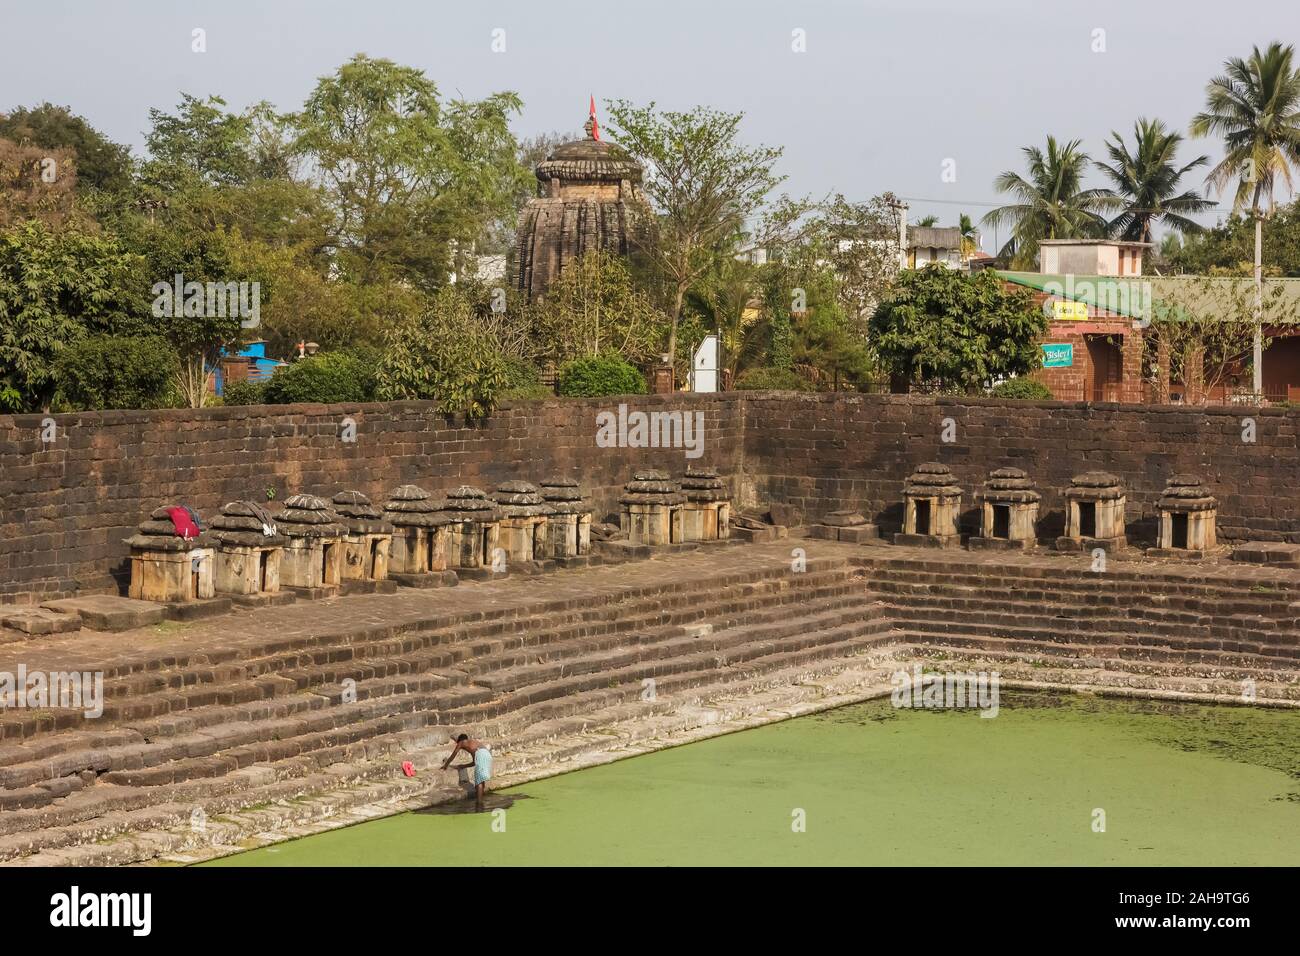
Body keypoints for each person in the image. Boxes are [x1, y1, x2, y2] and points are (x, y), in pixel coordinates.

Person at [442, 733, 492, 811]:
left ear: (460, 740)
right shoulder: (473, 744)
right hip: (487, 754)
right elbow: (475, 762)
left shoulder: (461, 742)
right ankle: (481, 800)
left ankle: (479, 804)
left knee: (478, 782)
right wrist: (463, 766)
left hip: (481, 754)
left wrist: (446, 765)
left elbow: (453, 754)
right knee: (481, 779)